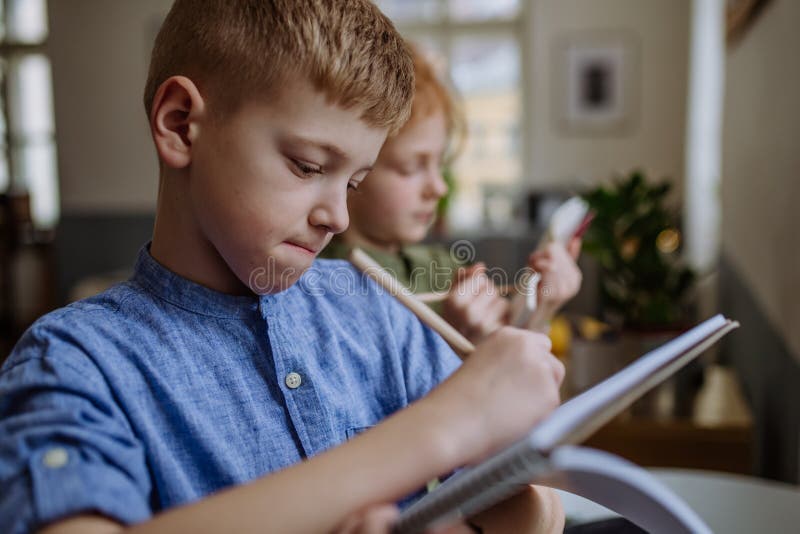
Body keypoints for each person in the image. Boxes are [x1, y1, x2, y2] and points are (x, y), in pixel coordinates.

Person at [0, 2, 566, 533]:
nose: (338, 216)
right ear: (179, 123)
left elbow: (534, 506)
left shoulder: (380, 312)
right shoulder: (72, 362)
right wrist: (440, 428)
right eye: (307, 166)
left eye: (354, 183)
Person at [322, 46, 582, 344]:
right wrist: (453, 344)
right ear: (351, 168)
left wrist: (538, 309)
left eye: (440, 164)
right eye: (411, 167)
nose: (439, 187)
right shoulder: (322, 285)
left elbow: (515, 364)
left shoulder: (445, 269)